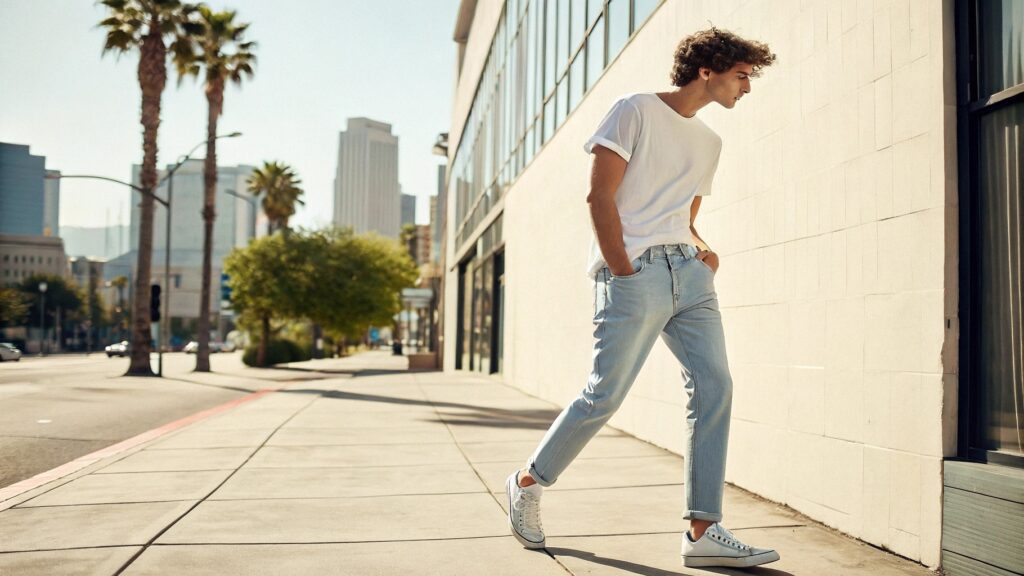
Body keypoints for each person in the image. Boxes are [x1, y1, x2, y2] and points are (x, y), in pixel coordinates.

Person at [505, 27, 778, 568]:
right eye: (742, 75)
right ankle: (527, 481)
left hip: (690, 277)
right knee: (604, 394)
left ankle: (703, 532)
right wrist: (623, 269)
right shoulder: (634, 110)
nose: (747, 88)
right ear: (708, 70)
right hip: (636, 273)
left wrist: (705, 251)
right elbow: (599, 194)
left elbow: (685, 215)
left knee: (715, 385)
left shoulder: (710, 142)